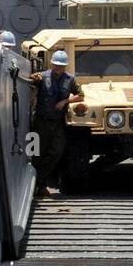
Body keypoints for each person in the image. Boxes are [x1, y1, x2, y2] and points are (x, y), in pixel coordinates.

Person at [31, 49, 84, 198]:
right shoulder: (42, 76)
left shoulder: (70, 79)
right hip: (40, 122)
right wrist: (33, 79)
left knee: (57, 151)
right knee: (36, 154)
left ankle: (39, 180)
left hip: (57, 123)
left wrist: (65, 101)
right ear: (52, 64)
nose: (58, 68)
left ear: (65, 66)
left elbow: (81, 96)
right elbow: (30, 84)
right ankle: (37, 186)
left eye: (61, 66)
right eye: (56, 65)